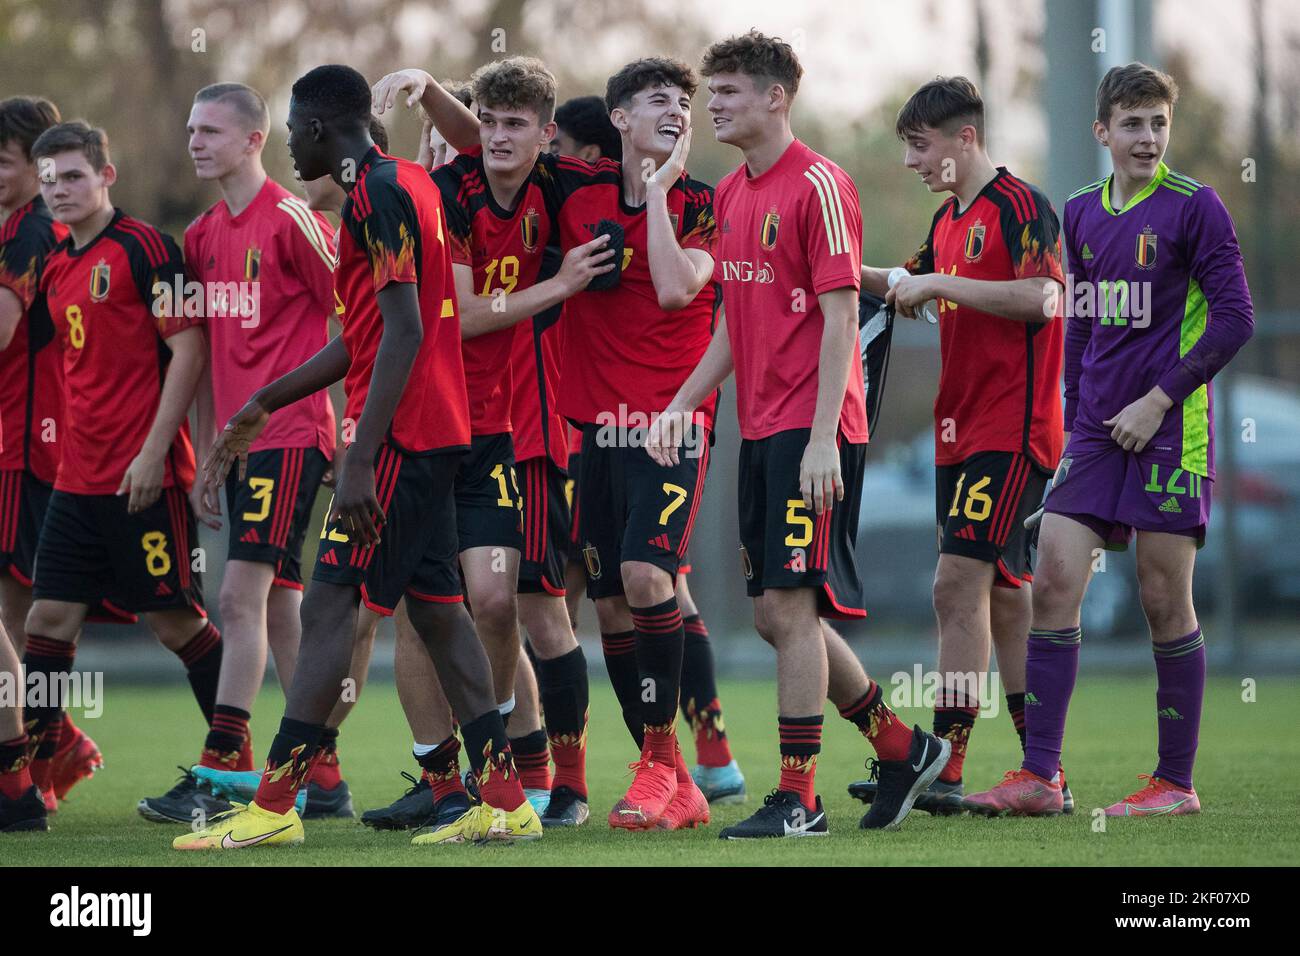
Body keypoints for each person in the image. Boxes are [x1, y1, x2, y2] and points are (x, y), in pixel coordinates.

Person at [176, 64, 538, 850]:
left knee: (329, 604)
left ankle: (273, 806)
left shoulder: (376, 197)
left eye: (296, 133)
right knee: (441, 614)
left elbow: (405, 333)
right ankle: (505, 800)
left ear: (316, 130)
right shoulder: (407, 182)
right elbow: (365, 335)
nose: (292, 150)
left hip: (406, 440)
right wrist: (262, 401)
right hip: (435, 432)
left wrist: (361, 457)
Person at [648, 30, 950, 837]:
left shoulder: (818, 184)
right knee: (780, 617)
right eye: (711, 94)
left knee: (791, 603)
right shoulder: (735, 196)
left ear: (776, 97)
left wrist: (823, 439)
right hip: (766, 429)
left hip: (815, 430)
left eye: (728, 93)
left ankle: (799, 798)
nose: (712, 106)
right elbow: (730, 326)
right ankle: (897, 745)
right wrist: (680, 403)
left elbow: (843, 312)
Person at [963, 63, 1253, 817]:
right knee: (1054, 582)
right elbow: (1081, 327)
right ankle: (1041, 777)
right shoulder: (1081, 211)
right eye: (1132, 123)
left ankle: (1174, 784)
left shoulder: (1198, 209)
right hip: (1095, 433)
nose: (1148, 137)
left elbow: (1235, 320)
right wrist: (1073, 418)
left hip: (1170, 429)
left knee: (1163, 597)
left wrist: (1158, 402)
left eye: (1158, 123)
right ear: (1103, 132)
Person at [848, 76, 1070, 814]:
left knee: (954, 585)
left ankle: (944, 766)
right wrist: (835, 270)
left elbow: (1044, 297)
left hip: (1011, 431)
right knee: (1005, 598)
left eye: (920, 144)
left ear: (963, 138)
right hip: (959, 433)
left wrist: (944, 282)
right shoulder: (948, 221)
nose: (912, 160)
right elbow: (904, 284)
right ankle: (1043, 771)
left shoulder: (1021, 205)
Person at [21, 121, 221, 824]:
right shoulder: (52, 264)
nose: (58, 191)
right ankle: (34, 778)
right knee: (47, 621)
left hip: (145, 478)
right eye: (48, 180)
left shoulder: (147, 250)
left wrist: (153, 450)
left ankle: (233, 765)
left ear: (107, 175)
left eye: (72, 176)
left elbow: (191, 350)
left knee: (173, 624)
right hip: (78, 481)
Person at [550, 93, 744, 803]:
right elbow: (493, 149)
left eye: (686, 101)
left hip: (670, 428)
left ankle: (669, 763)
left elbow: (672, 288)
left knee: (648, 578)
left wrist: (658, 193)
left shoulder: (703, 200)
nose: (679, 109)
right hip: (594, 433)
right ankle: (681, 774)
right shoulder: (576, 189)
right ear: (619, 120)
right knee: (611, 604)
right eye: (657, 99)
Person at [0, 96, 103, 826]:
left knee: (24, 617)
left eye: (2, 162)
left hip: (22, 448)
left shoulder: (32, 230)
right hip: (25, 446)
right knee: (25, 619)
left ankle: (22, 774)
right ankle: (46, 754)